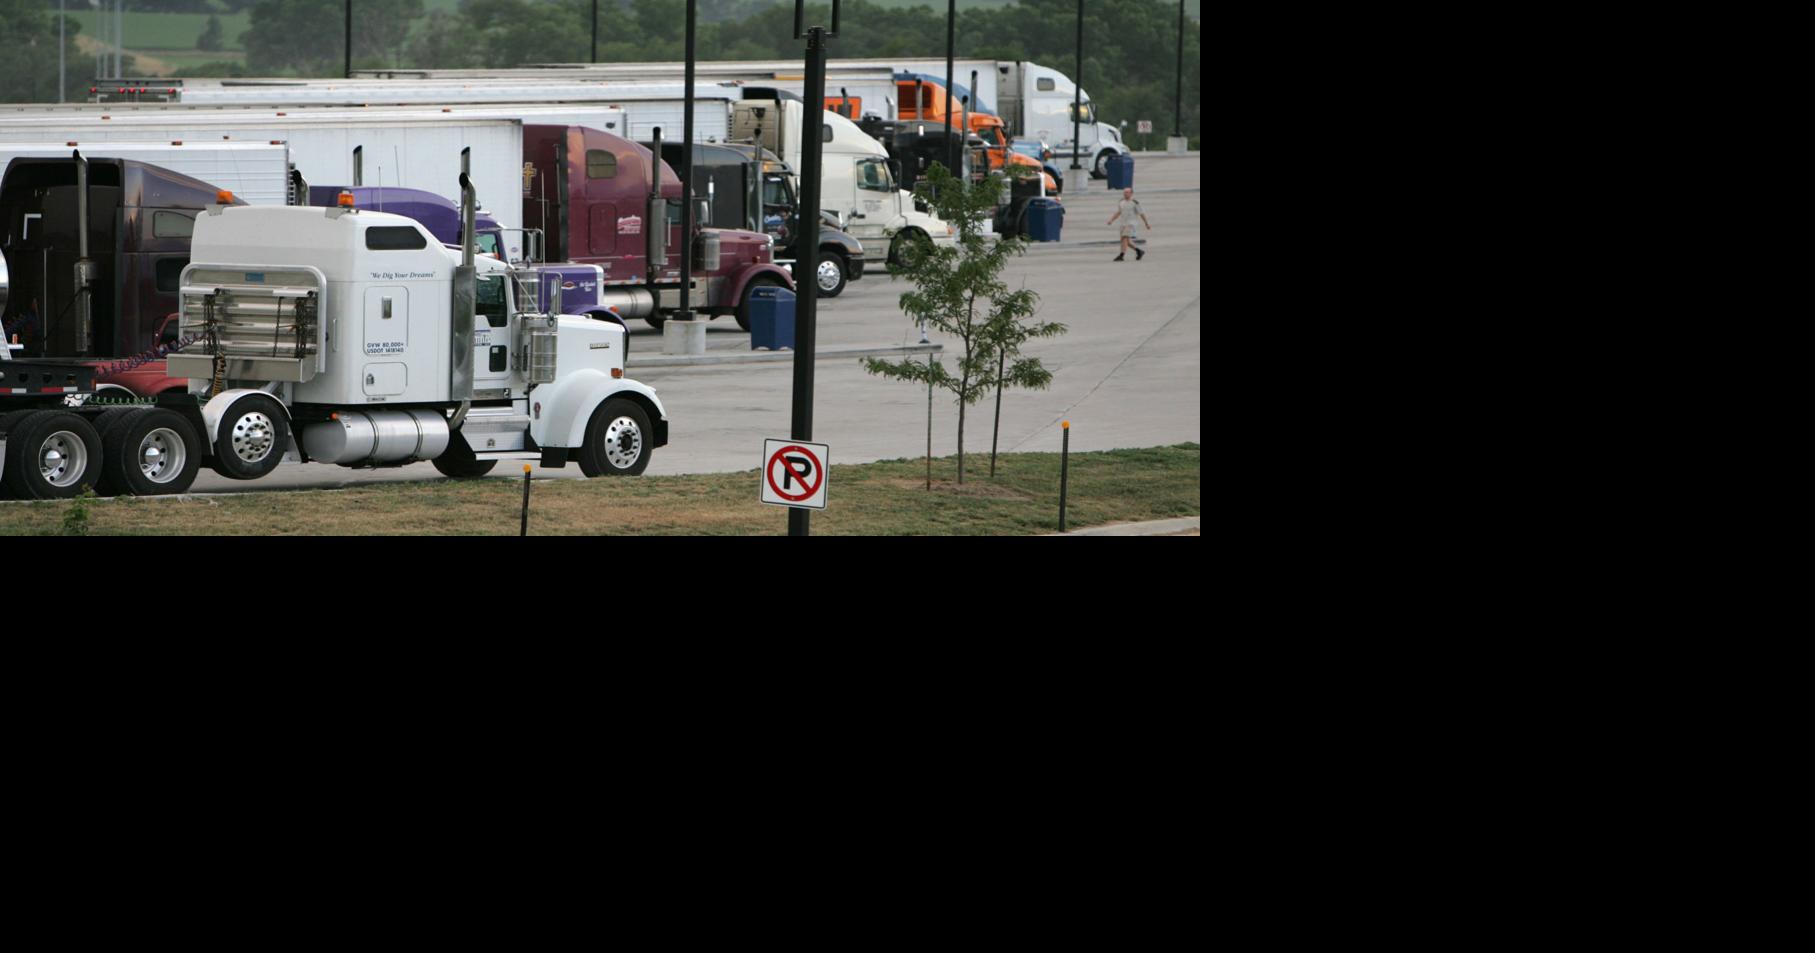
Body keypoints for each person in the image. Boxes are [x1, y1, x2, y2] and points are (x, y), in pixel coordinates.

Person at [1106, 187, 1151, 261]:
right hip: (1123, 223)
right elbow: (1118, 212)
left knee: (1124, 238)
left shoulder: (1135, 203)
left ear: (1131, 193)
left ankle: (1121, 255)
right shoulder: (1121, 202)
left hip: (1131, 224)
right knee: (1126, 241)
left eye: (1127, 192)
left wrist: (1146, 223)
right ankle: (1139, 251)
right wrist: (1111, 220)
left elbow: (1141, 213)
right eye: (1124, 192)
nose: (1125, 194)